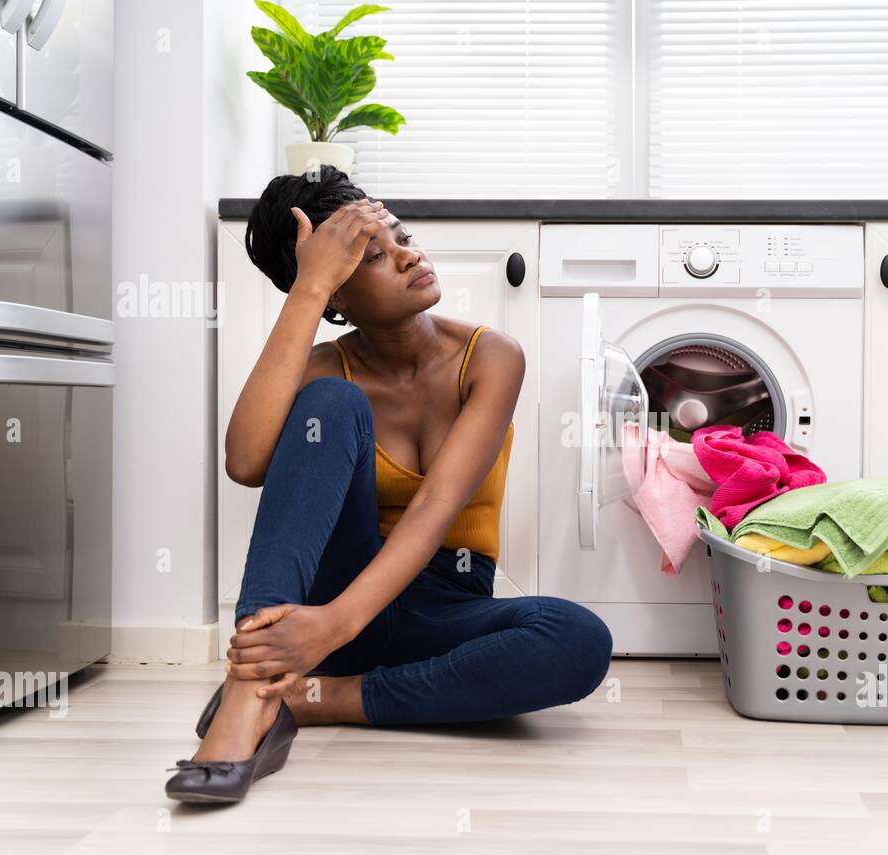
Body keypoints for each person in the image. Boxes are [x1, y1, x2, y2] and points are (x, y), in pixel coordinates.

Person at [165, 167, 612, 803]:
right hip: (335, 593)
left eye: (402, 237)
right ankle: (250, 693)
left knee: (578, 640)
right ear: (335, 297)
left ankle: (305, 698)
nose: (409, 256)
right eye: (374, 256)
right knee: (329, 404)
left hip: (439, 602)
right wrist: (310, 285)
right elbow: (245, 461)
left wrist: (330, 630)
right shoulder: (326, 370)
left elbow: (435, 506)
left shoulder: (491, 357)